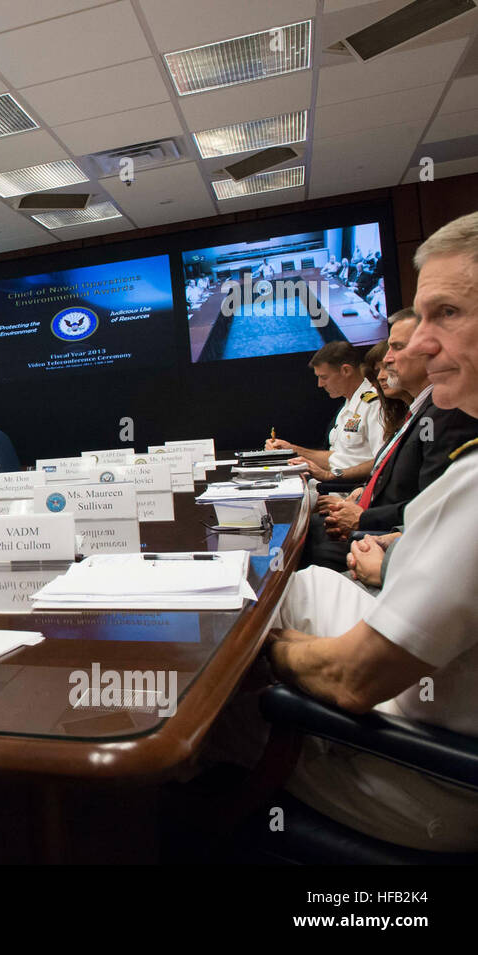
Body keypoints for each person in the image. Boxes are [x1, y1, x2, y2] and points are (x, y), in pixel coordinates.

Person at [266, 210, 478, 852]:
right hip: (432, 713)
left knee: (190, 721)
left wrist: (267, 650)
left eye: (449, 314)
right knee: (292, 586)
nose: (410, 348)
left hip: (425, 777)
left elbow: (351, 681)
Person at [304, 311, 478, 569]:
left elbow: (433, 508)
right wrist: (360, 497)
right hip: (374, 520)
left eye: (396, 348)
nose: (387, 359)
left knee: (303, 547)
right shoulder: (418, 411)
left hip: (391, 538)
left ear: (433, 351)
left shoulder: (446, 414)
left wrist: (362, 518)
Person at [266, 340, 385, 480]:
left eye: (324, 377)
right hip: (336, 487)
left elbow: (382, 461)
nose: (320, 384)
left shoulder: (374, 404)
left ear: (346, 370)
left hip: (353, 491)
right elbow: (336, 458)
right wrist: (292, 449)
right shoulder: (347, 406)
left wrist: (331, 476)